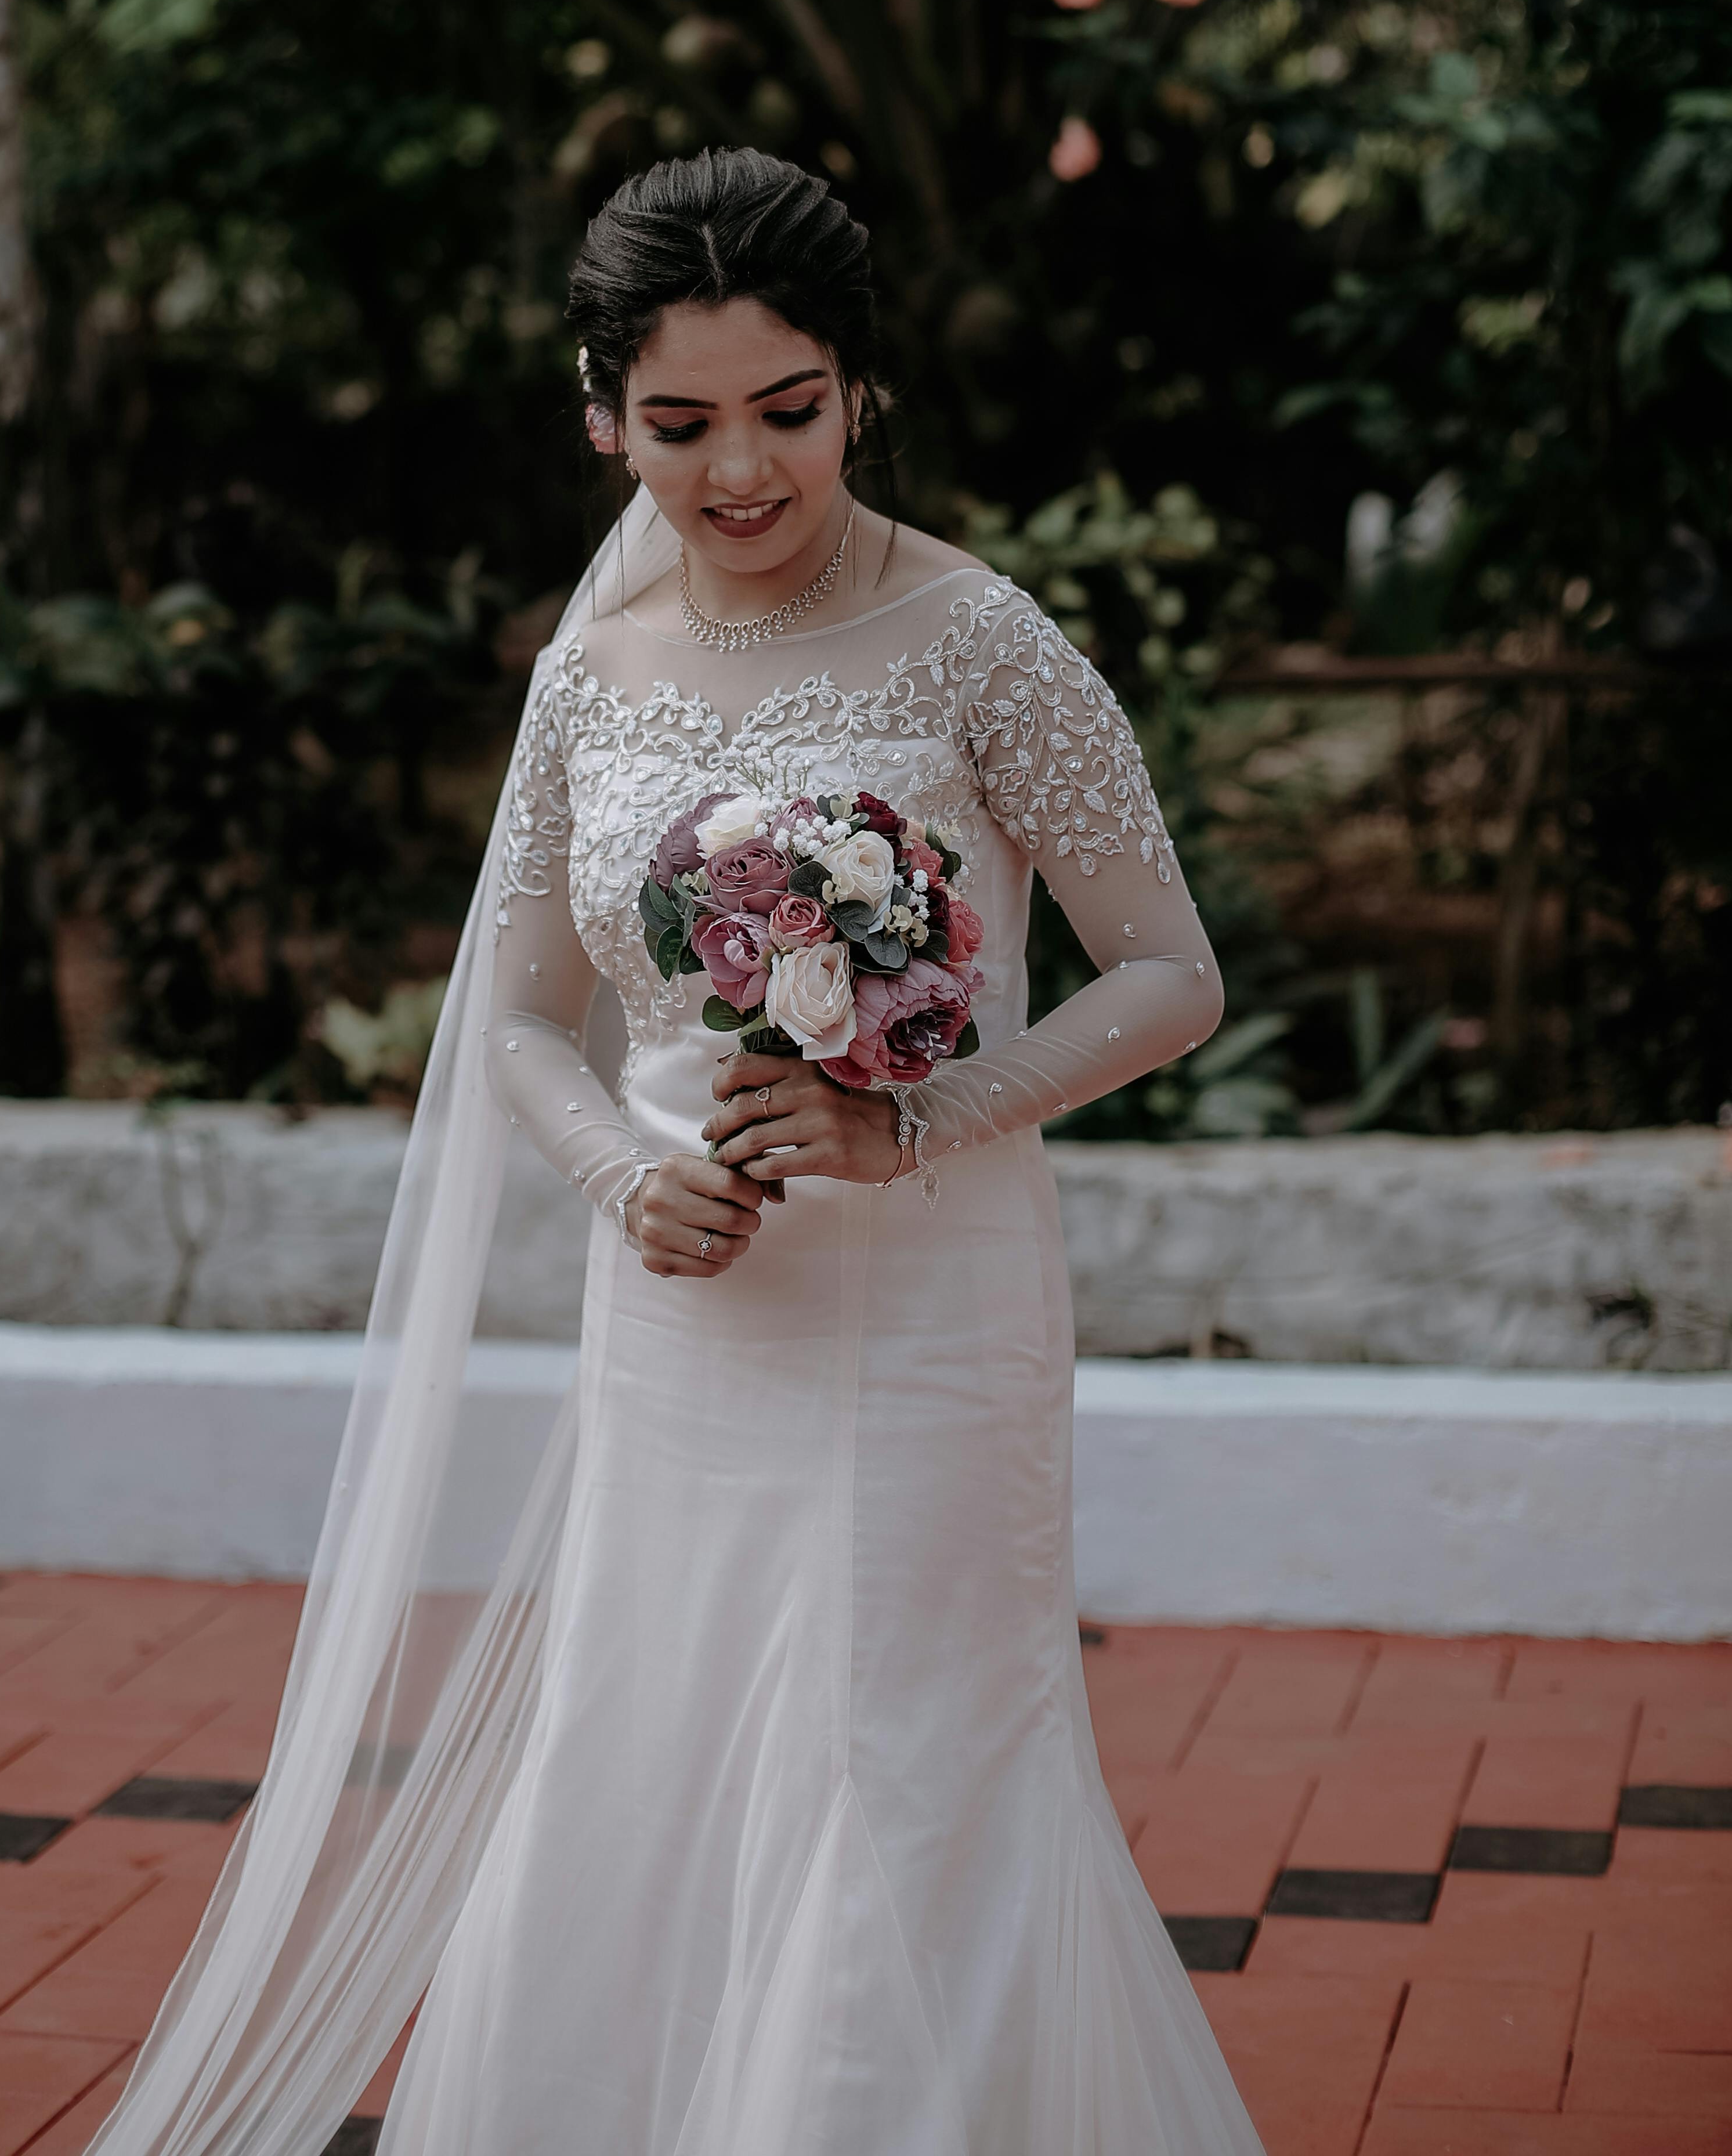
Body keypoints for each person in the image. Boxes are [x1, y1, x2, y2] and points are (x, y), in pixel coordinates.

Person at [89, 147, 1261, 2156]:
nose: (739, 472)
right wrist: (630, 1182)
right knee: (655, 1745)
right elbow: (523, 1021)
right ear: (601, 415)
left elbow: (1169, 975)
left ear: (858, 391)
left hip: (932, 1304)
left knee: (912, 1761)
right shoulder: (591, 678)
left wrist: (921, 1118)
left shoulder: (982, 644)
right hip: (685, 1318)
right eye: (681, 422)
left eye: (787, 412)